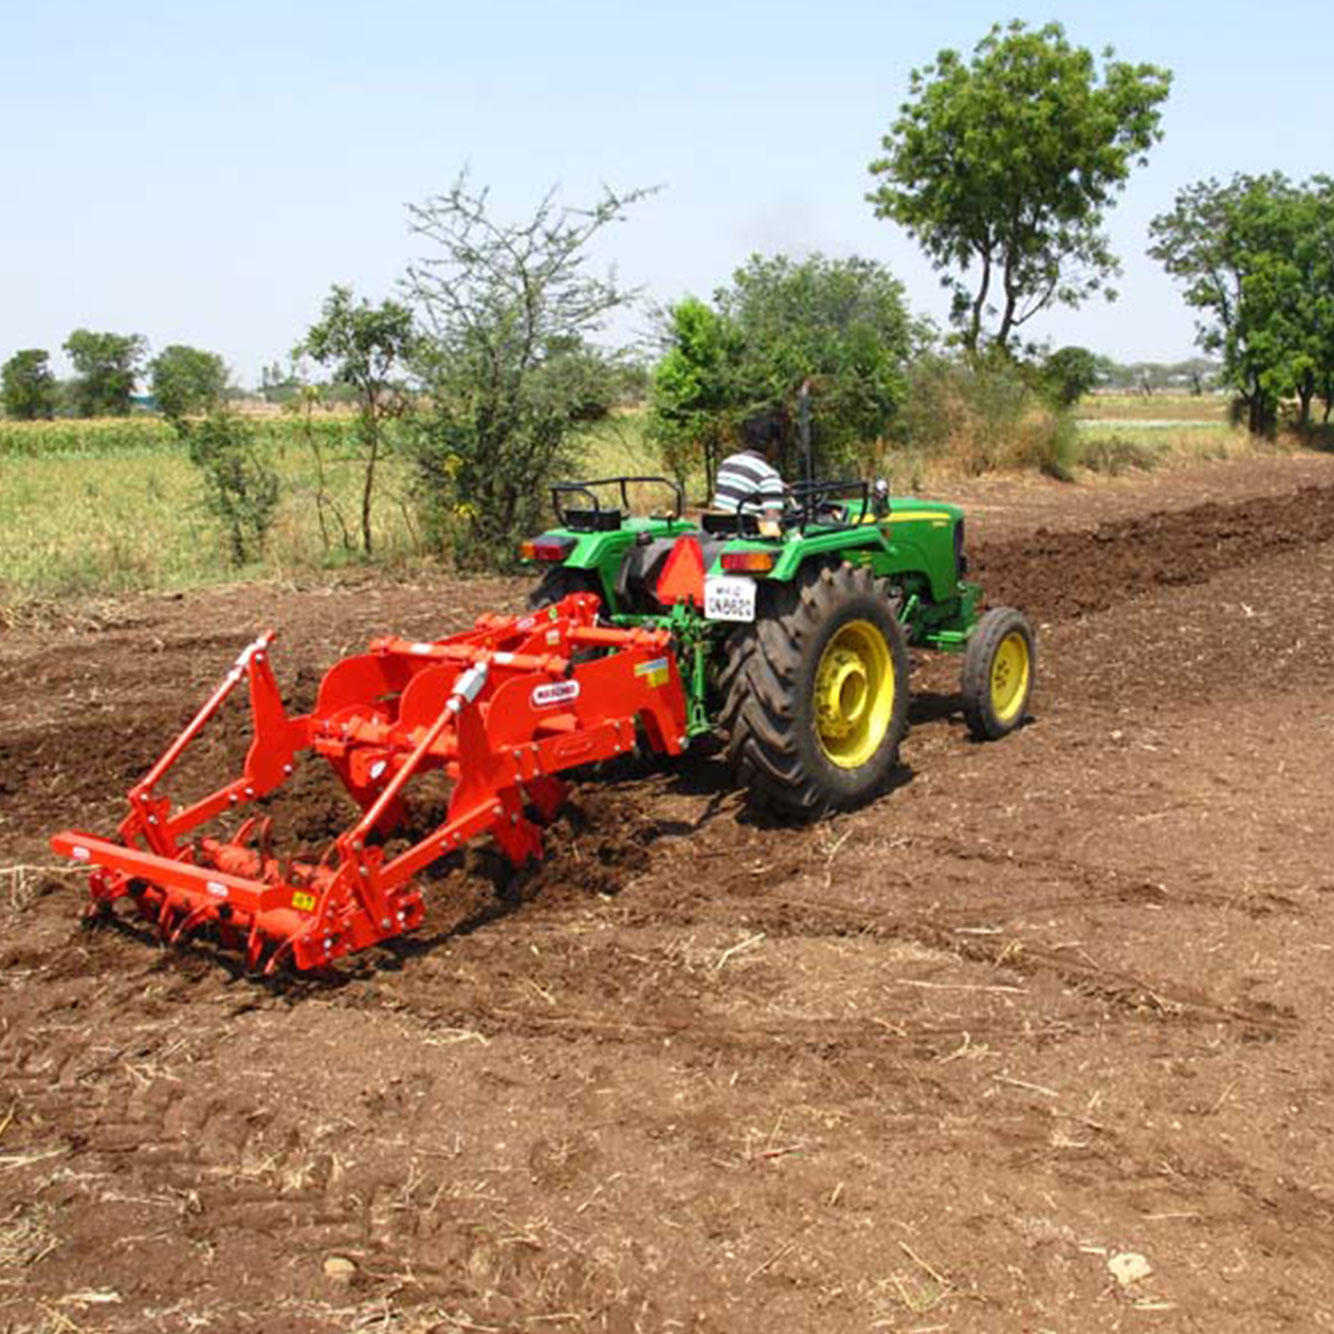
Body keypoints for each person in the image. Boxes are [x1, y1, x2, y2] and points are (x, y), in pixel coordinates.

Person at [711, 406, 787, 519]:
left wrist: (777, 486)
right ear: (773, 444)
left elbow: (741, 486)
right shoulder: (768, 475)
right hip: (748, 531)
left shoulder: (727, 463)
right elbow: (772, 520)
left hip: (719, 529)